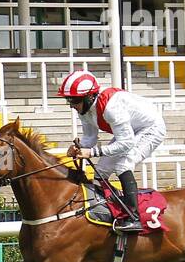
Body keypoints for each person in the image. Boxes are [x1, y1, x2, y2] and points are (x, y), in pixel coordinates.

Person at [60, 70, 166, 233]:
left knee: (123, 165)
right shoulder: (85, 109)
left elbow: (126, 143)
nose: (71, 105)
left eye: (74, 100)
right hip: (130, 132)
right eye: (68, 100)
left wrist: (91, 153)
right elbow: (90, 138)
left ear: (89, 97)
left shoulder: (111, 107)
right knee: (101, 171)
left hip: (150, 129)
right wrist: (79, 147)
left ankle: (133, 218)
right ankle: (107, 211)